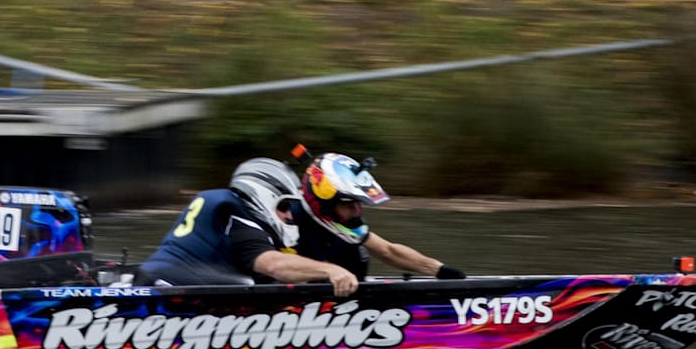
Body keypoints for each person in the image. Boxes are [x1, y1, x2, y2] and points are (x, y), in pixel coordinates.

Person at [136, 157, 361, 296]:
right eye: (284, 206)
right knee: (250, 283)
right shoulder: (238, 218)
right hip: (166, 291)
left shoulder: (225, 207)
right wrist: (331, 270)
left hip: (163, 281)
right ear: (264, 195)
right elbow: (274, 265)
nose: (289, 216)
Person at [291, 148, 466, 284]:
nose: (357, 211)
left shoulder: (347, 225)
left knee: (356, 253)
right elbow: (276, 268)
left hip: (339, 302)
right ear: (323, 204)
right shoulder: (289, 222)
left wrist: (440, 270)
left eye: (358, 204)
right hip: (293, 307)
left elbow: (388, 251)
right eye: (349, 205)